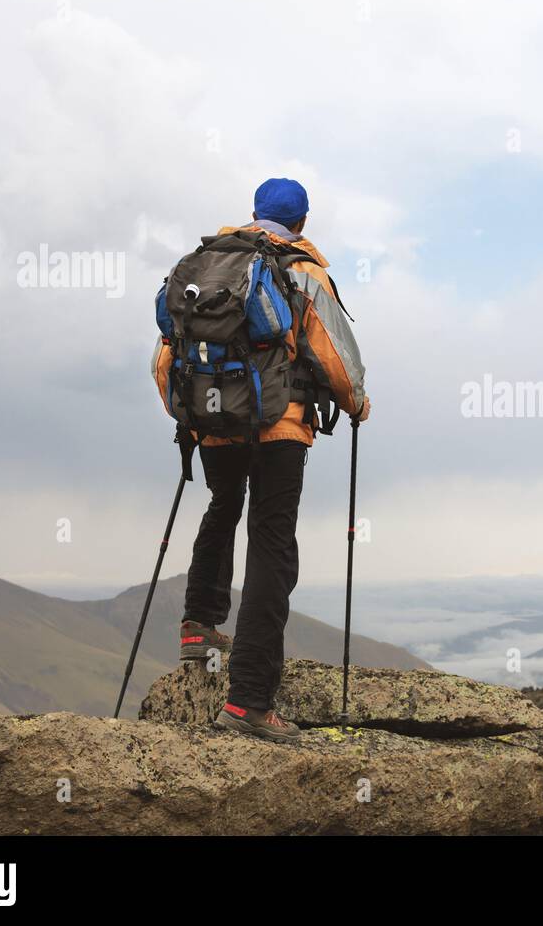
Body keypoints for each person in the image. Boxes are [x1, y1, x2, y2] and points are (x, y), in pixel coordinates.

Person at [153, 177, 370, 741]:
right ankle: (249, 700)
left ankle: (198, 625)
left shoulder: (204, 266)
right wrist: (357, 404)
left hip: (214, 423)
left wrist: (197, 415)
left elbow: (166, 359)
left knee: (223, 504)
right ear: (301, 223)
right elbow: (336, 360)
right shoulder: (301, 270)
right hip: (279, 427)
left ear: (252, 214)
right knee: (272, 543)